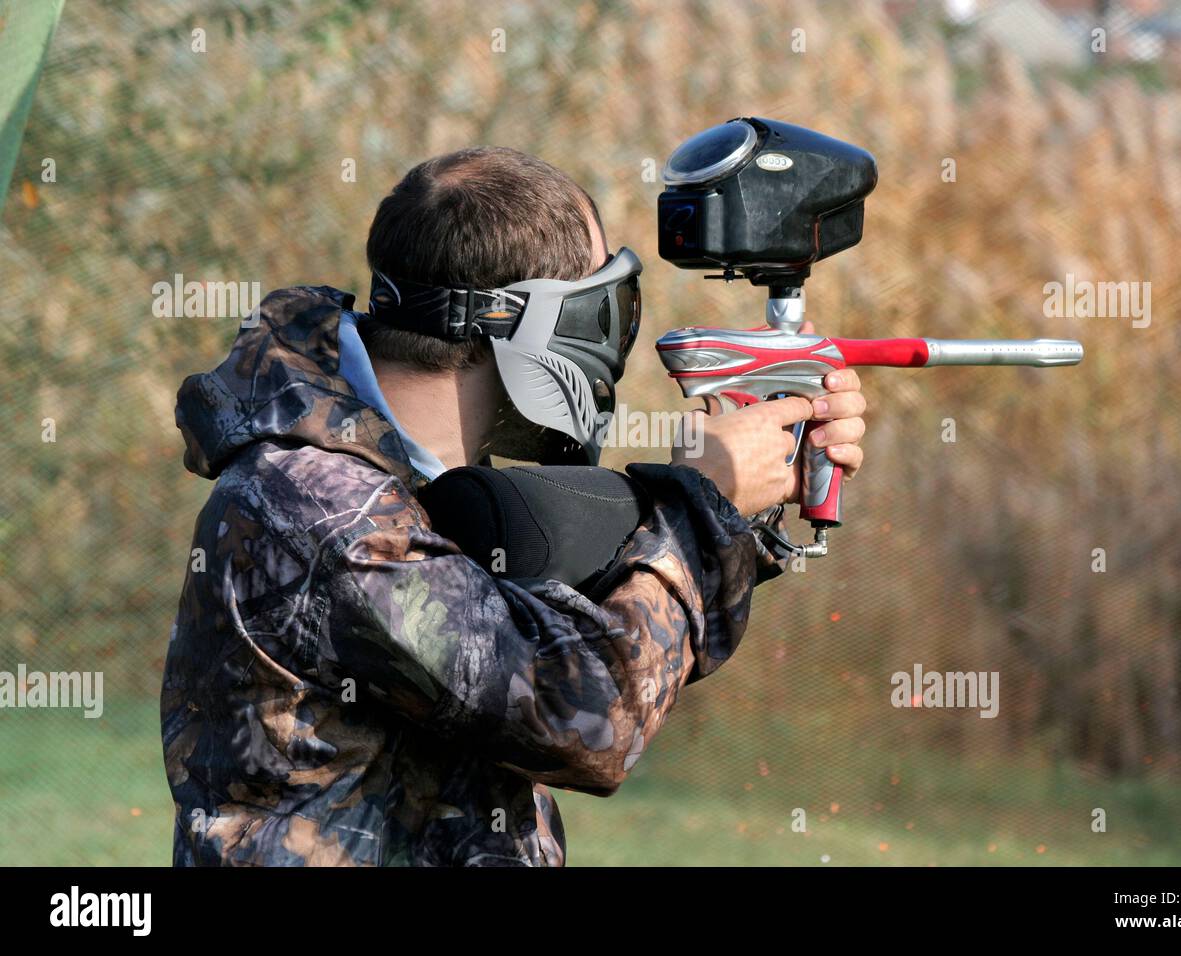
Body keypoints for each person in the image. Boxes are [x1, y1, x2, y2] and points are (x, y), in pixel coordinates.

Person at [162, 146, 868, 866]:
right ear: (544, 325)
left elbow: (579, 637)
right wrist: (697, 513)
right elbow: (586, 716)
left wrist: (742, 506)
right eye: (601, 306)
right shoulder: (324, 508)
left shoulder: (398, 478)